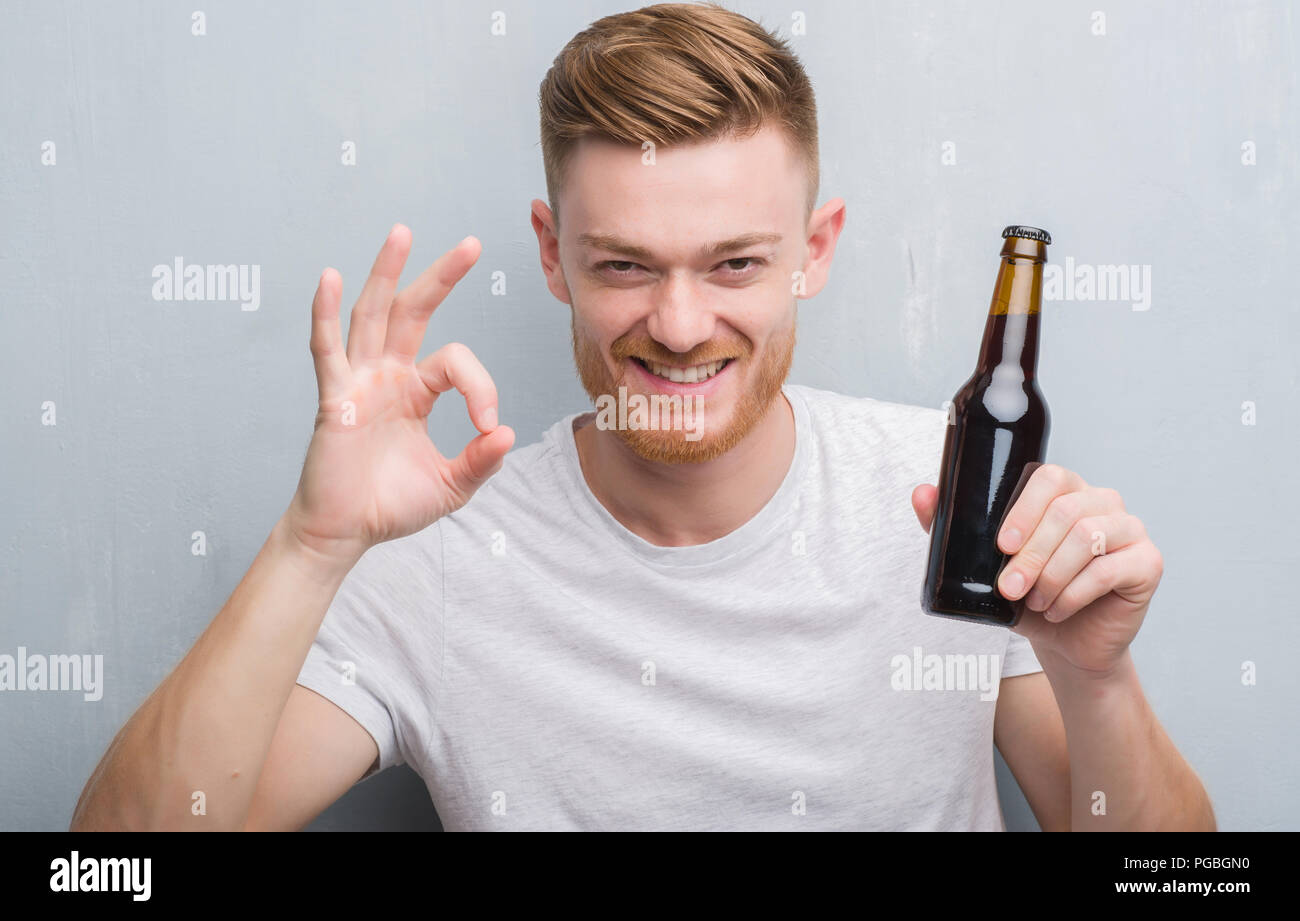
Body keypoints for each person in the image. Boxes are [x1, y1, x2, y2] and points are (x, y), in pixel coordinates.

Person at [71, 2, 1214, 831]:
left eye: (733, 263)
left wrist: (1095, 680)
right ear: (551, 254)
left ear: (811, 254)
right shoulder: (430, 559)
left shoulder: (947, 493)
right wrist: (310, 549)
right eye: (624, 263)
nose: (676, 324)